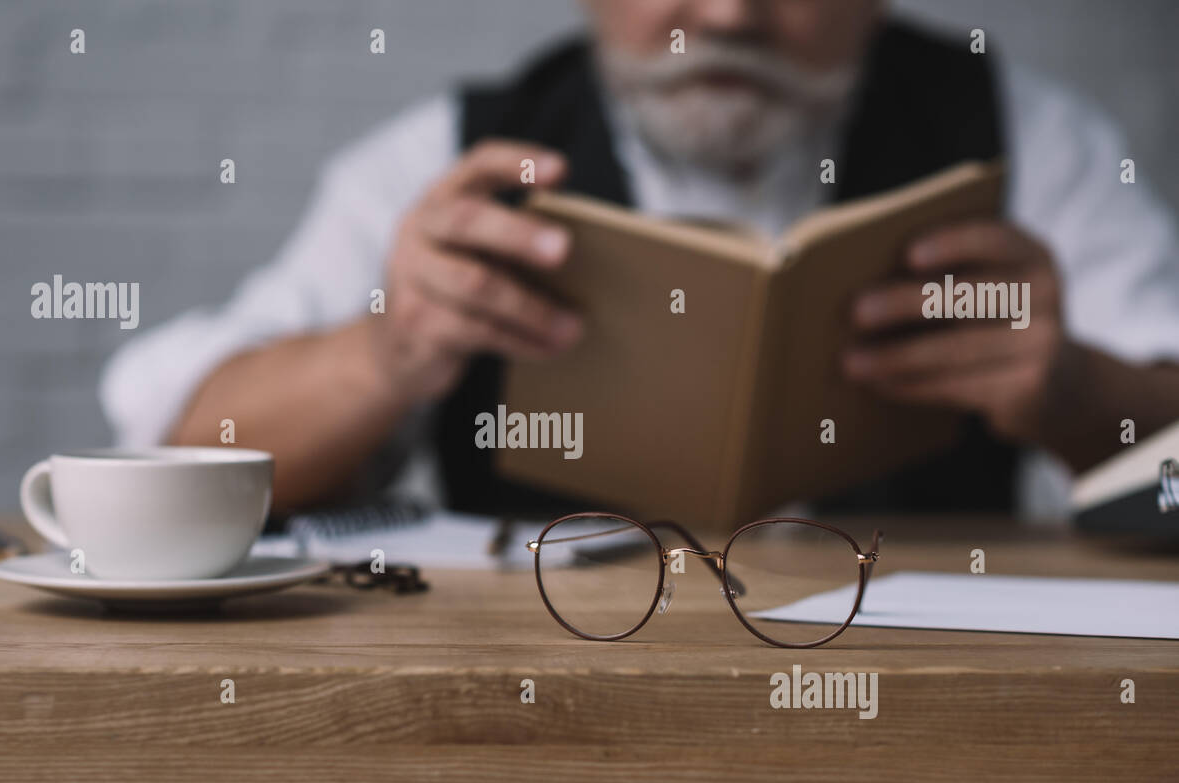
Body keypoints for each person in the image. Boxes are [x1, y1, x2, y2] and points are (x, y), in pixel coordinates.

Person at [101, 0, 1179, 519]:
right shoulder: (444, 158)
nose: (722, 14)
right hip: (537, 775)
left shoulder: (1027, 138)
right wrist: (384, 353)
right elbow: (185, 450)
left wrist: (1082, 393)